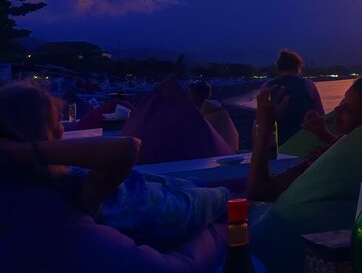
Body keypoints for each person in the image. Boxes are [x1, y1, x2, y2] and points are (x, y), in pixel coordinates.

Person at [0, 83, 228, 249]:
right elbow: (129, 147)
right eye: (56, 122)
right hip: (165, 212)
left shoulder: (49, 175)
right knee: (226, 196)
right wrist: (23, 151)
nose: (62, 130)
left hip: (149, 188)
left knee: (195, 184)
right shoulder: (69, 186)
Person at [247, 74, 362, 202]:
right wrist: (323, 133)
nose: (337, 108)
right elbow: (347, 145)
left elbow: (259, 192)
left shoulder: (337, 162)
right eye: (343, 101)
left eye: (348, 110)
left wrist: (265, 126)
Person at [262, 49, 324, 143]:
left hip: (280, 143)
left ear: (279, 68)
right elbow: (321, 114)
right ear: (298, 67)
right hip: (307, 140)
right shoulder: (307, 84)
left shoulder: (266, 87)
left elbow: (261, 119)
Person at [189, 80, 240, 151]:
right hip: (229, 151)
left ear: (197, 97)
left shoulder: (210, 116)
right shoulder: (216, 110)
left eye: (190, 94)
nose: (188, 98)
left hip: (222, 154)